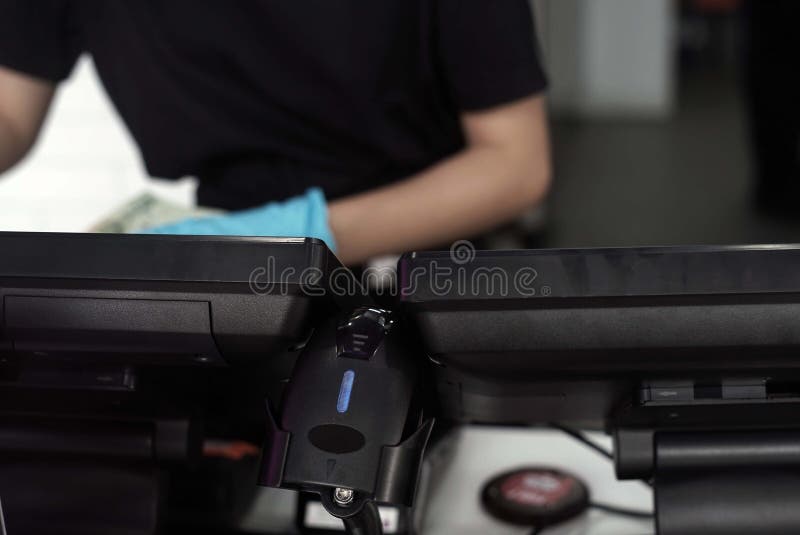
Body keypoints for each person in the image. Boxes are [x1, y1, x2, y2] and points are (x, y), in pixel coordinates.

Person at [0, 1, 551, 265]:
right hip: (226, 267)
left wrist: (295, 235)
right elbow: (11, 113)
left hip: (420, 253)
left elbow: (516, 163)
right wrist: (244, 248)